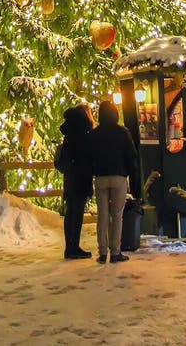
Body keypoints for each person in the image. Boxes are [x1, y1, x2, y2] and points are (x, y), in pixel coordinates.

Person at [90, 100, 140, 264]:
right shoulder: (123, 132)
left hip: (101, 177)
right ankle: (116, 251)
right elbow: (132, 158)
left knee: (102, 216)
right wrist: (135, 184)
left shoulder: (95, 134)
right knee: (117, 215)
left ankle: (102, 252)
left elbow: (89, 158)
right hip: (119, 177)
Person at [58, 104, 94, 259]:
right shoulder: (83, 134)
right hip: (81, 178)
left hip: (70, 177)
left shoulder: (69, 134)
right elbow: (87, 157)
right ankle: (73, 247)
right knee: (77, 212)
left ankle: (70, 246)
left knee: (71, 211)